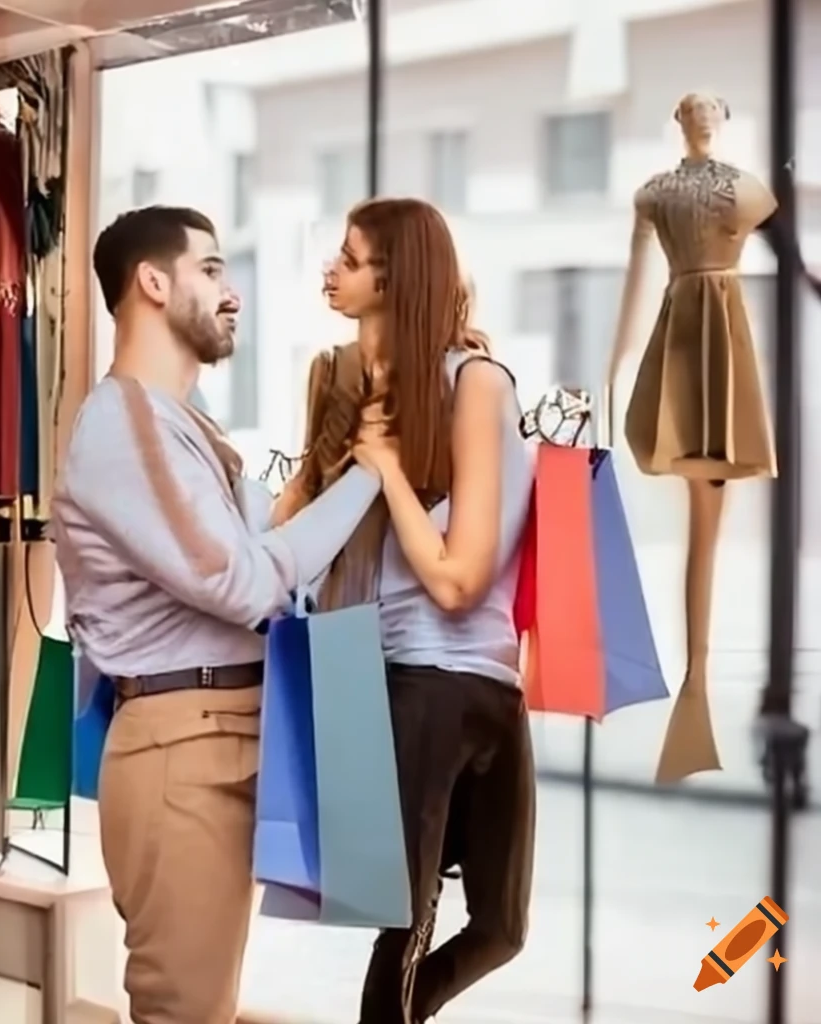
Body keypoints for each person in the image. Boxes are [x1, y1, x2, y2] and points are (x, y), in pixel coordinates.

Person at [52, 205, 382, 1024]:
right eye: (212, 270)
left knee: (207, 1006)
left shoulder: (182, 425)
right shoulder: (127, 425)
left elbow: (268, 556)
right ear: (152, 283)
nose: (231, 294)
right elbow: (243, 584)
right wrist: (373, 477)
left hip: (219, 731)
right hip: (182, 746)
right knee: (183, 1013)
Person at [283, 198, 536, 1023]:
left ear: (396, 281)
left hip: (486, 682)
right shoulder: (351, 386)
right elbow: (291, 544)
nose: (331, 270)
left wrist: (386, 470)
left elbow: (461, 581)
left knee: (501, 927)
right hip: (403, 679)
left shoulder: (476, 382)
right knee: (403, 921)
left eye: (349, 259)